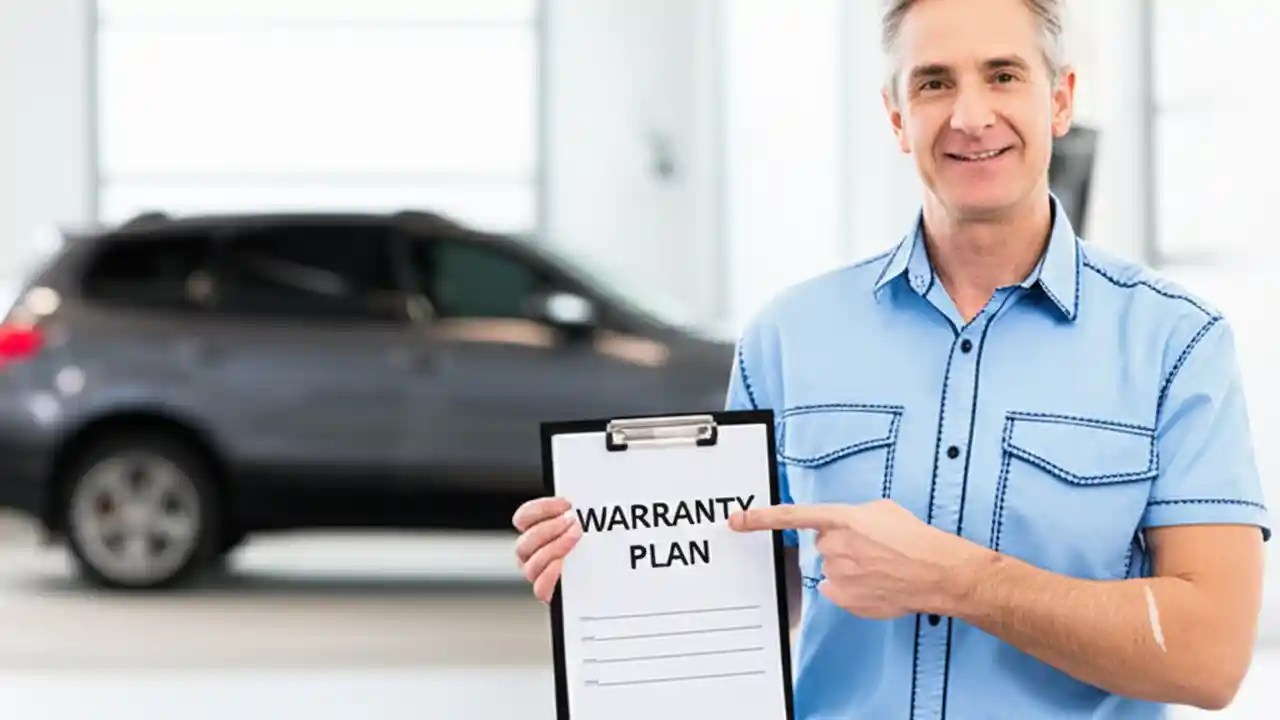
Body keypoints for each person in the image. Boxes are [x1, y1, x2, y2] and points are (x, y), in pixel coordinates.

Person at [511, 0, 1270, 716]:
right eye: (934, 83)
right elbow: (739, 597)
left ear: (1060, 100)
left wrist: (958, 580)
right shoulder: (788, 337)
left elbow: (1208, 657)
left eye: (1003, 75)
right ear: (897, 116)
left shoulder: (1176, 342)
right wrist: (612, 575)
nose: (971, 116)